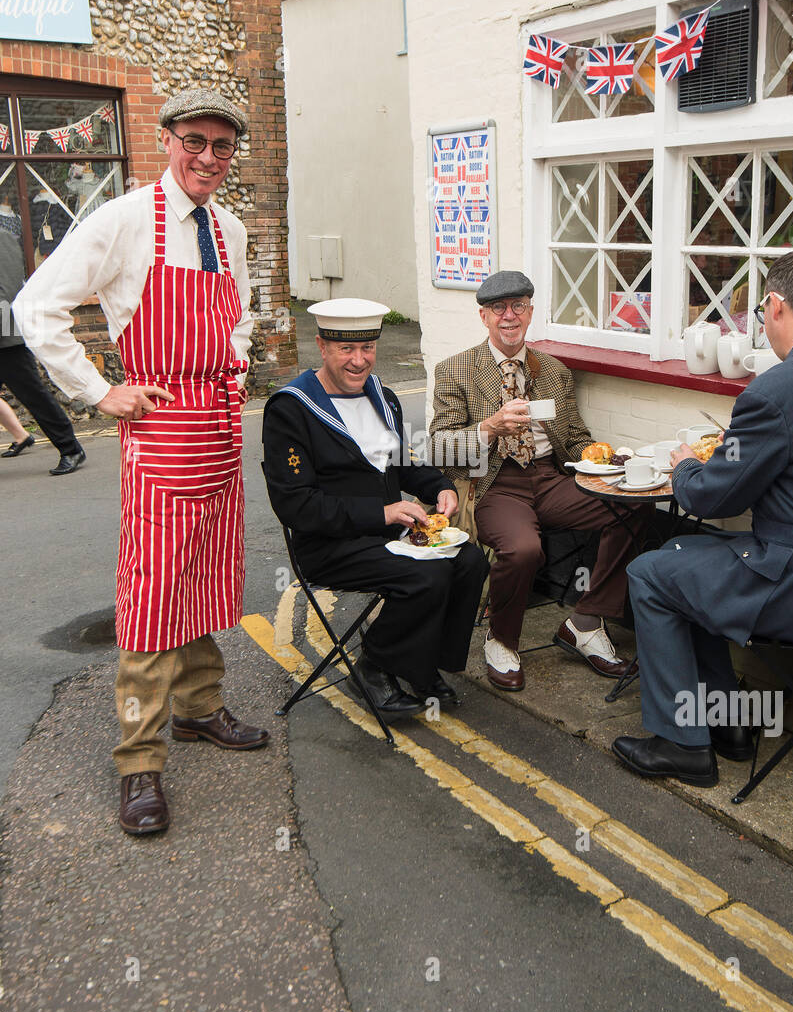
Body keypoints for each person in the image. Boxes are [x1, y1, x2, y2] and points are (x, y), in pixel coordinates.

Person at [13, 88, 267, 836]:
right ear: (167, 140)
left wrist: (240, 357)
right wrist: (99, 391)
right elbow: (36, 308)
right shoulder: (125, 220)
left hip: (218, 428)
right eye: (196, 141)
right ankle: (138, 761)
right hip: (158, 432)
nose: (208, 158)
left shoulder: (230, 230)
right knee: (153, 596)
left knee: (205, 574)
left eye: (223, 147)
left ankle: (198, 709)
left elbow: (242, 313)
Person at [614, 248, 793, 787]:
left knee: (650, 573)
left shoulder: (774, 391)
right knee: (690, 563)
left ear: (775, 306)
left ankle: (683, 745)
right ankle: (727, 725)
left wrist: (686, 468)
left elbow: (712, 498)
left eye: (759, 313)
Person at [262, 299, 489, 716]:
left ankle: (422, 666)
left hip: (387, 538)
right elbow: (296, 506)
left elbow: (402, 463)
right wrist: (381, 514)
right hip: (329, 546)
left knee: (470, 560)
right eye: (346, 349)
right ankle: (373, 666)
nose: (358, 360)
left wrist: (440, 487)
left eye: (367, 347)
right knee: (428, 573)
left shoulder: (382, 396)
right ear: (322, 347)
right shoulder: (291, 409)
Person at [430, 270, 646, 690]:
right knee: (524, 548)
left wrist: (605, 457)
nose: (509, 316)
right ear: (484, 317)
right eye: (499, 308)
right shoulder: (455, 370)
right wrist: (490, 427)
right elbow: (439, 449)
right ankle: (502, 639)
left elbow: (576, 437)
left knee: (633, 505)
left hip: (551, 477)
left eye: (519, 306)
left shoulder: (554, 371)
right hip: (496, 483)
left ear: (530, 312)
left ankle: (584, 621)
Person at [0, 204, 86, 473]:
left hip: (6, 334)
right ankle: (27, 437)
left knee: (33, 393)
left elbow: (6, 289)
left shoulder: (3, 239)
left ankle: (71, 448)